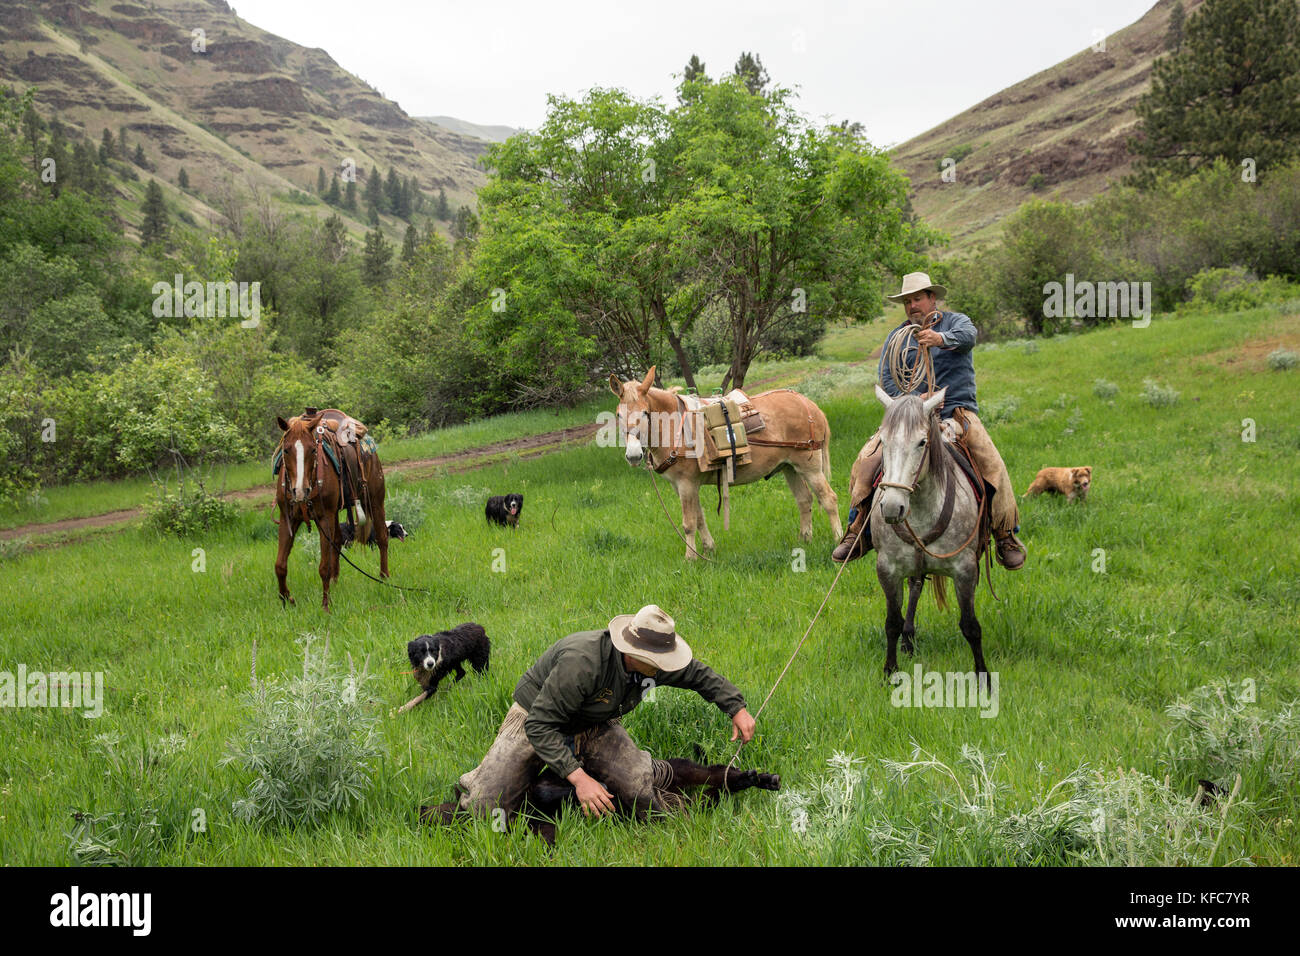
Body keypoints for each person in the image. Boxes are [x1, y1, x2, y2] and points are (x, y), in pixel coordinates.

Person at [454, 604, 756, 821]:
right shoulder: (583, 663)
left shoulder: (653, 662)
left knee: (640, 792)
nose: (665, 666)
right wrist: (580, 779)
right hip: (536, 722)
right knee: (486, 809)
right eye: (658, 660)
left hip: (594, 724)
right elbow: (540, 725)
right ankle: (504, 779)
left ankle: (657, 771)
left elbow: (696, 674)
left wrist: (736, 708)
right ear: (633, 653)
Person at [831, 272, 1026, 570]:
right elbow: (888, 378)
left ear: (933, 298)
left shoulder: (956, 323)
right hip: (911, 418)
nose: (912, 306)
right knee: (867, 459)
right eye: (907, 301)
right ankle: (859, 530)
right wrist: (910, 402)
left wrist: (940, 339)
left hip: (957, 414)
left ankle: (1004, 534)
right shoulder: (896, 337)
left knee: (991, 461)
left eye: (918, 299)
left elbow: (968, 338)